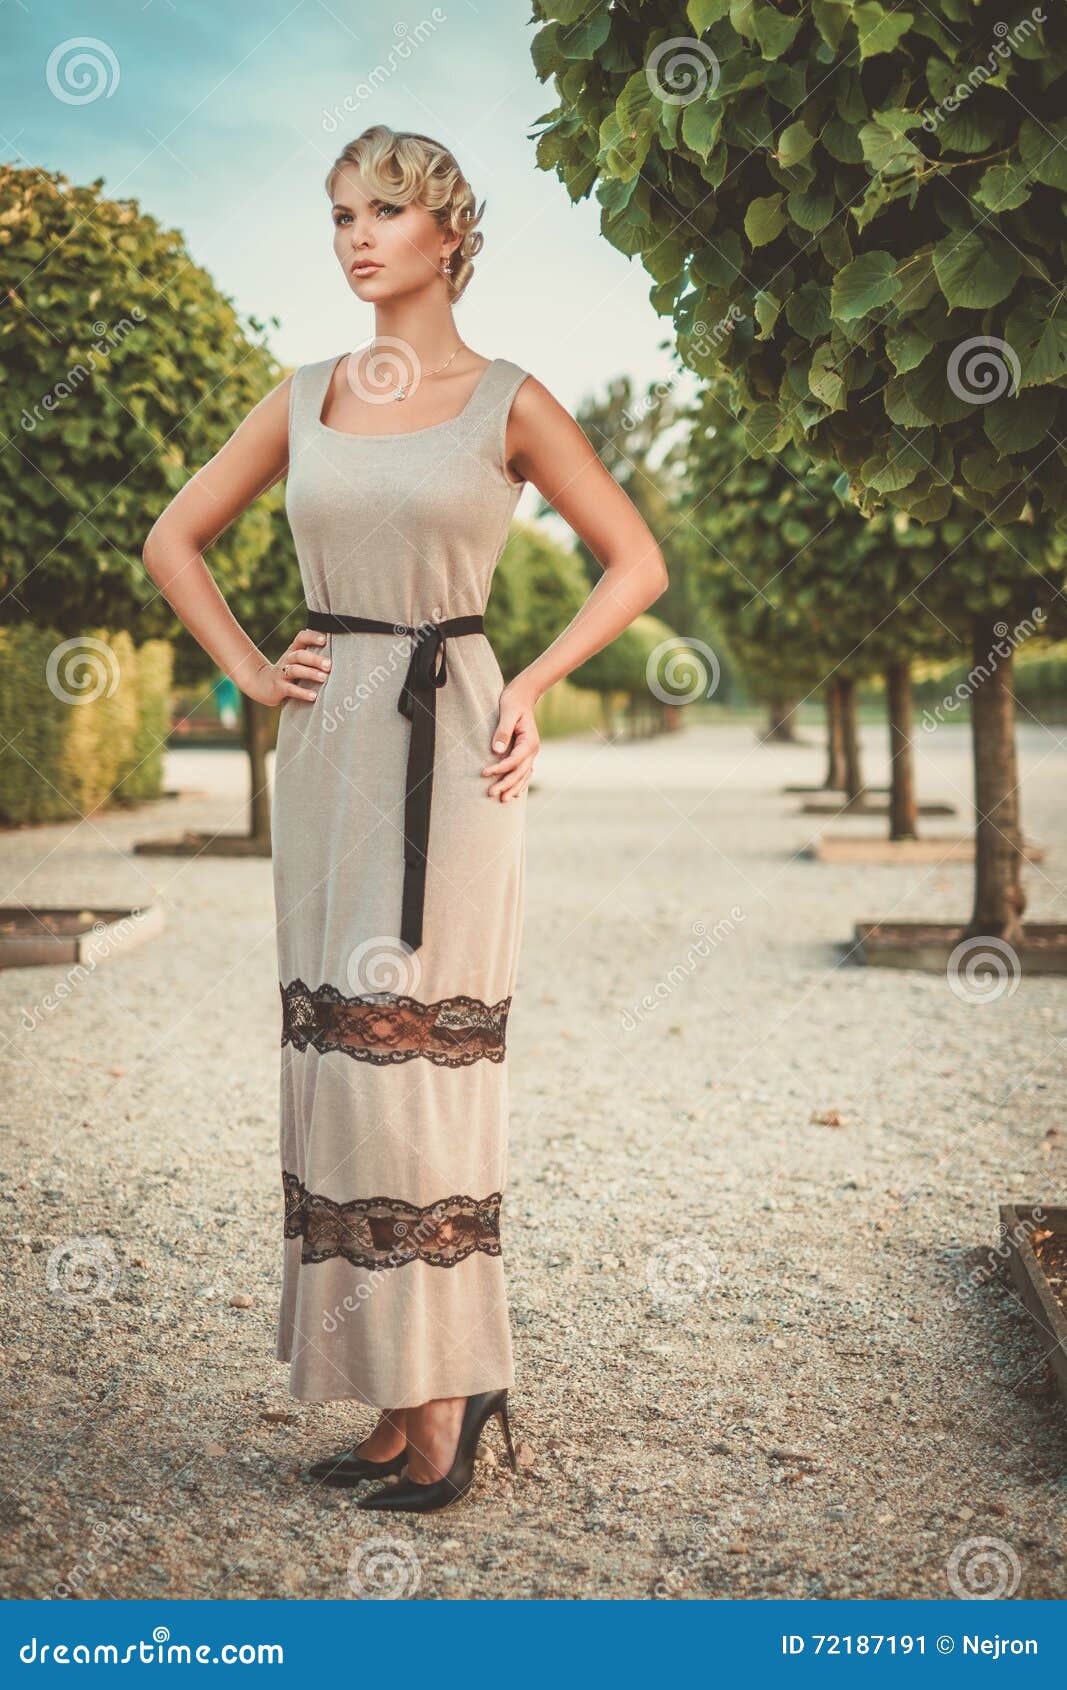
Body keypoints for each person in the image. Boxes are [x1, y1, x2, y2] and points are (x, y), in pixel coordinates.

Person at [142, 124, 667, 1514]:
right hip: (324, 745)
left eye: (384, 210)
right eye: (337, 215)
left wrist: (538, 681)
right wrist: (257, 668)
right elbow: (170, 538)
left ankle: (447, 1400)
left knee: (418, 1065)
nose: (356, 235)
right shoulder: (300, 393)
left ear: (448, 234)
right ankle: (397, 1397)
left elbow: (637, 559)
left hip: (453, 737)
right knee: (338, 1059)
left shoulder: (508, 398)